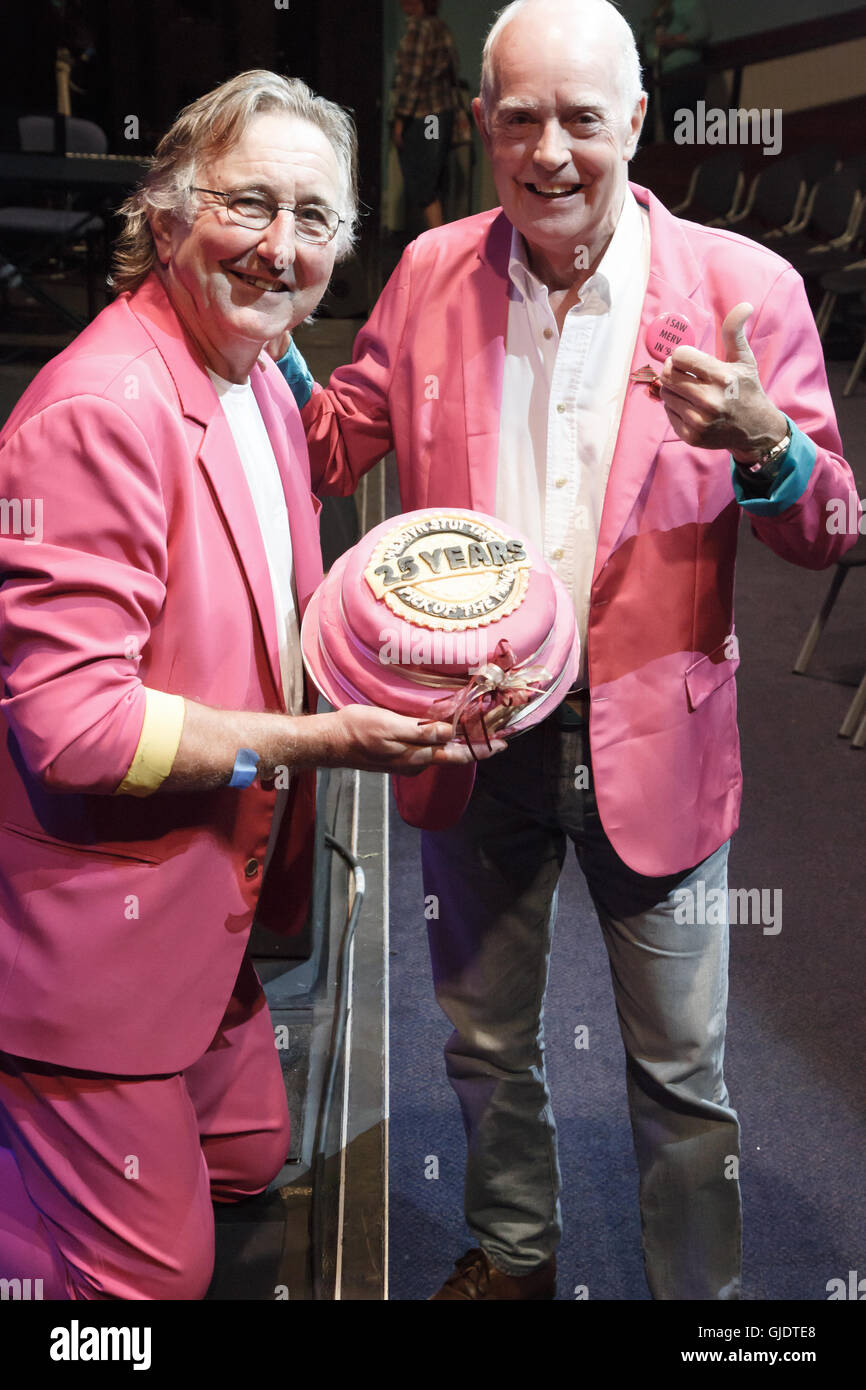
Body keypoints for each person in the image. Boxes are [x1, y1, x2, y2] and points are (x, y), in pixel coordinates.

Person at [278, 0, 860, 1300]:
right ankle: (516, 1256)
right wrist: (236, 343)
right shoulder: (431, 270)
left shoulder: (740, 290)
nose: (550, 151)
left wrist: (768, 441)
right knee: (484, 1045)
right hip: (471, 740)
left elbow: (831, 531)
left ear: (635, 125)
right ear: (482, 123)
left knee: (682, 1070)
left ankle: (695, 1297)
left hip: (657, 748)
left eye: (581, 119)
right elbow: (339, 429)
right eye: (520, 118)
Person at [0, 69, 491, 1302]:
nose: (282, 249)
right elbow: (71, 730)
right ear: (165, 215)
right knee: (152, 1292)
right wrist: (327, 740)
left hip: (207, 896)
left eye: (314, 218)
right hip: (86, 936)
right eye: (247, 205)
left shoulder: (259, 365)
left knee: (247, 1161)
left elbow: (289, 534)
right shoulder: (97, 415)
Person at [390, 0, 462, 234]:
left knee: (423, 185)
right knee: (432, 182)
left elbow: (412, 79)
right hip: (441, 115)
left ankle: (438, 245)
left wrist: (400, 119)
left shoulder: (420, 29)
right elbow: (453, 72)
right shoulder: (441, 27)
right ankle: (437, 242)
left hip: (422, 116)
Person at [641, 0, 710, 142]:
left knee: (682, 120)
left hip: (686, 72)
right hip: (664, 76)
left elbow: (702, 31)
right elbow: (651, 46)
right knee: (666, 123)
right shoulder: (658, 11)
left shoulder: (688, 4)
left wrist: (672, 40)